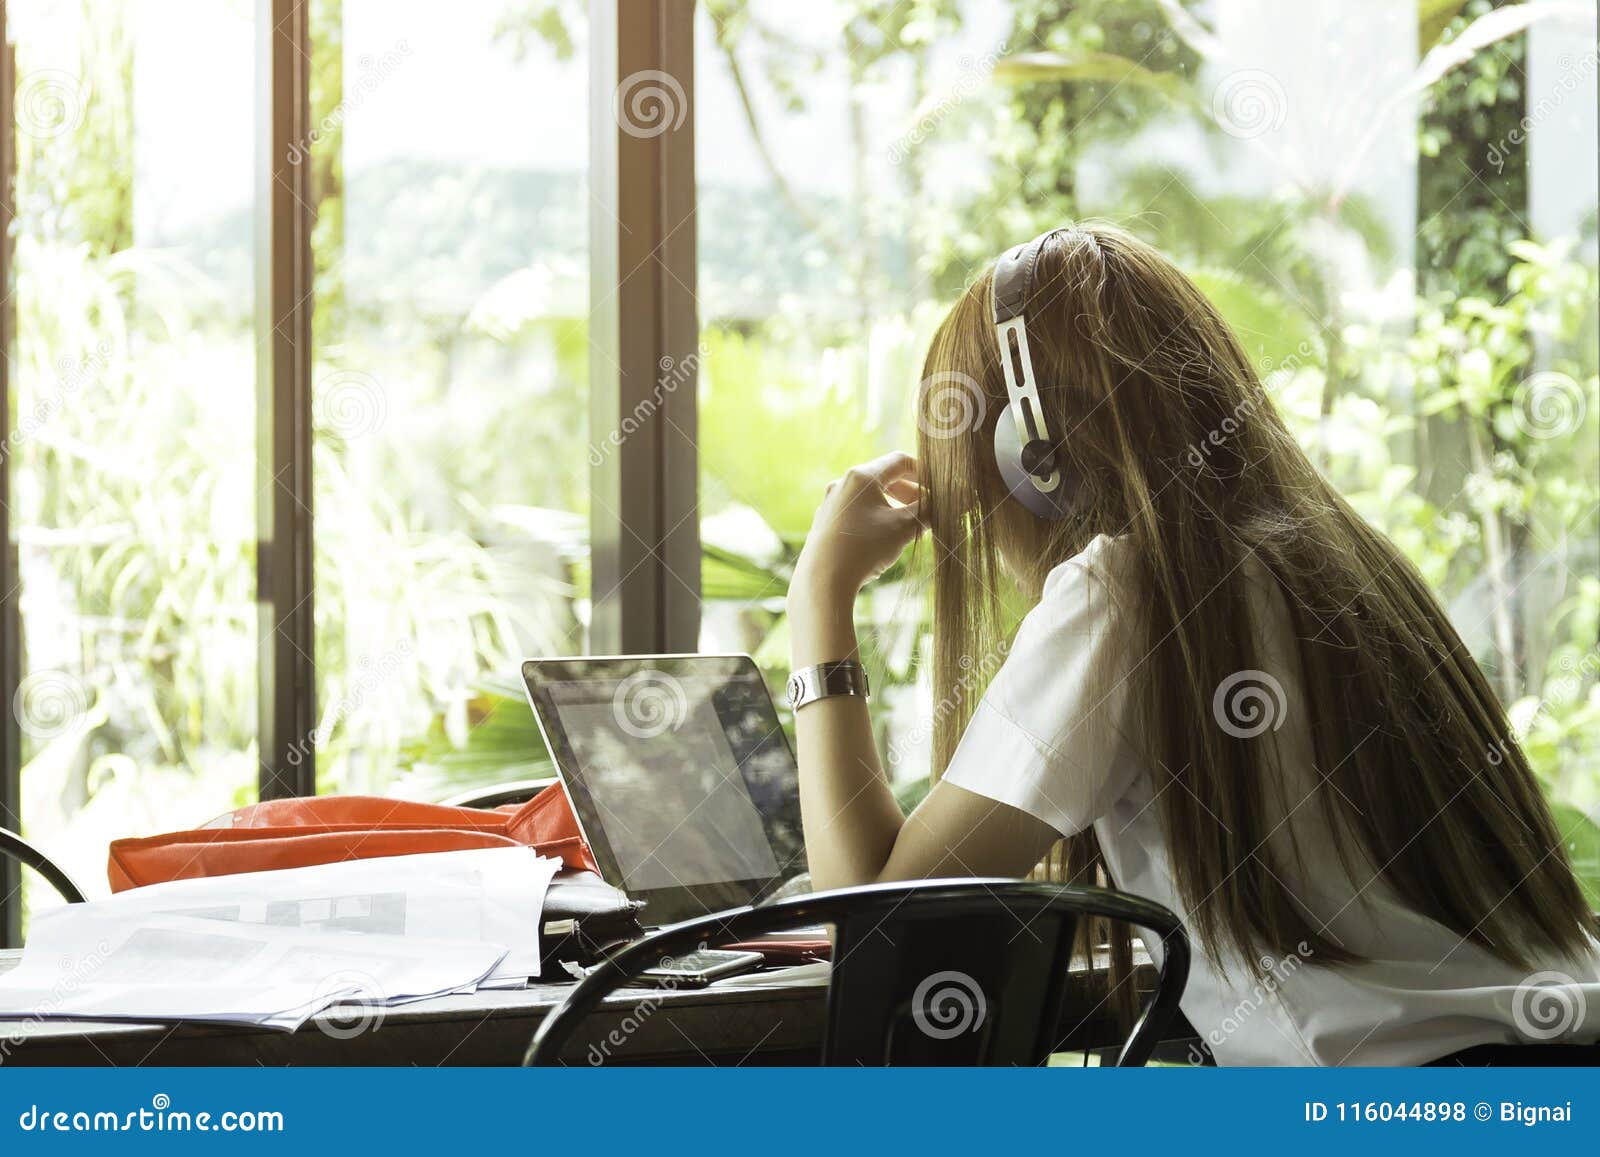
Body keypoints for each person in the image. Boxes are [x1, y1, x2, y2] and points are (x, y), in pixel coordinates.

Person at [784, 222, 1600, 1066]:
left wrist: (821, 594)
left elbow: (876, 925)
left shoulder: (1124, 593)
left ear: (1036, 459)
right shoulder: (1350, 561)